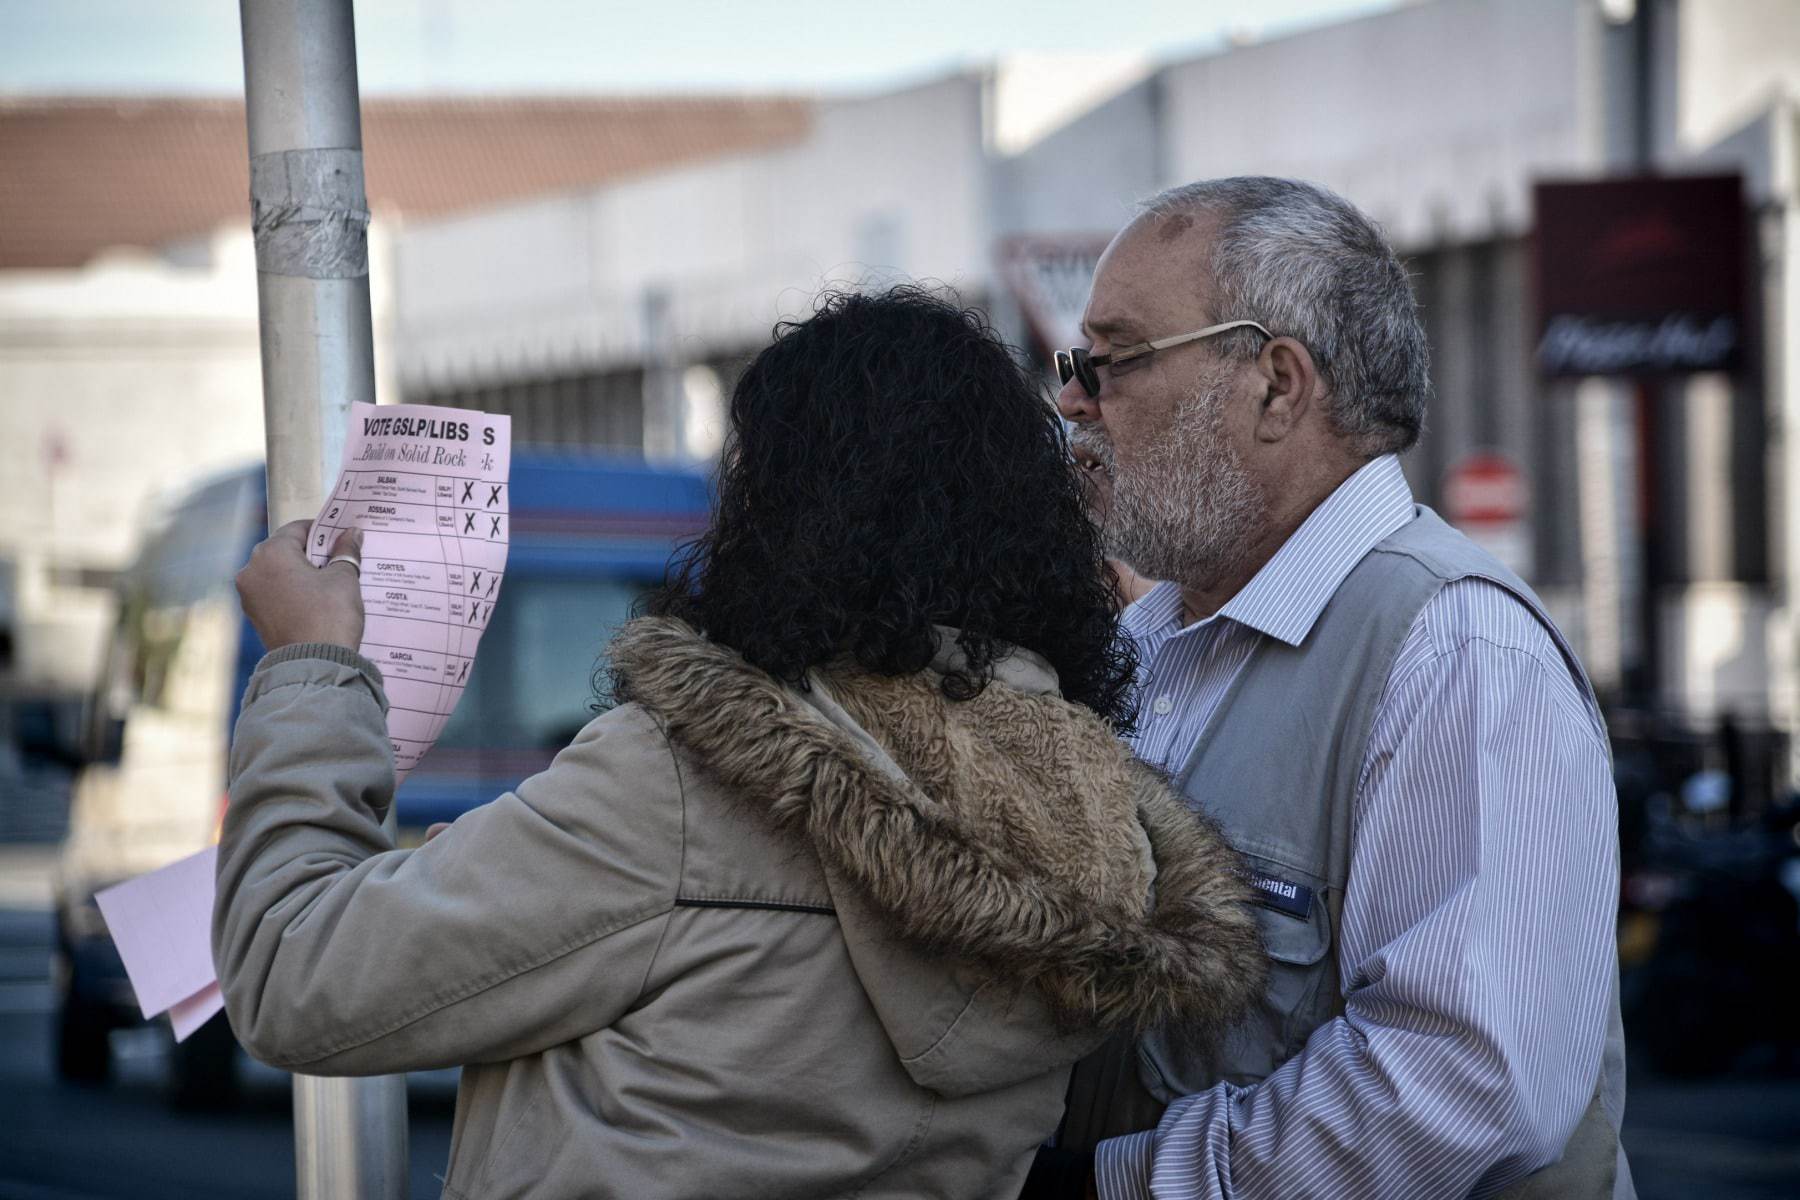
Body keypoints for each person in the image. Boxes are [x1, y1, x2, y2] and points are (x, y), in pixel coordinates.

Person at [214, 286, 1267, 1199]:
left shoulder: (681, 790)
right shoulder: (1092, 816)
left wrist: (314, 663)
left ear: (777, 520)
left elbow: (289, 975)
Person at [1045, 178, 1633, 1199]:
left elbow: (1461, 1086)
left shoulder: (1456, 653)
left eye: (1116, 358)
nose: (1073, 398)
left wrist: (1122, 1183)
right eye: (1076, 362)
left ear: (1278, 384)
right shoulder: (1149, 641)